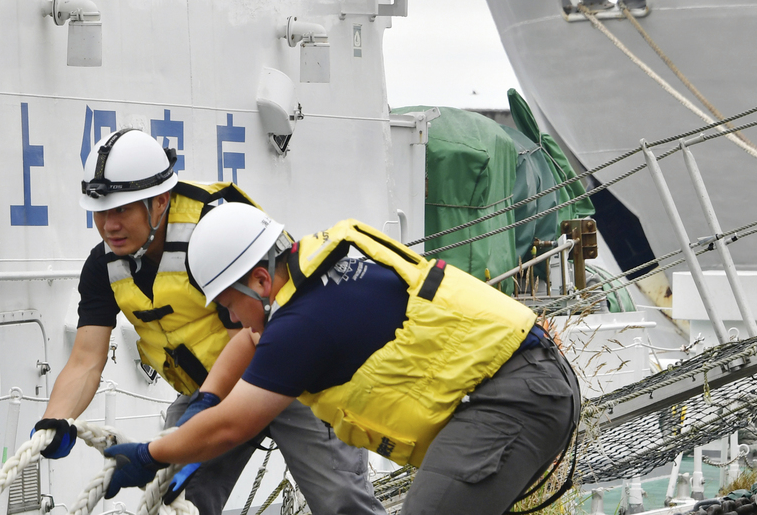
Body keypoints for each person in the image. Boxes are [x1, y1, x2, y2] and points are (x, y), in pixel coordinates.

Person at [103, 203, 581, 515]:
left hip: (512, 399)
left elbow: (231, 427)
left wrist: (149, 455)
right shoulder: (316, 273)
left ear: (260, 281)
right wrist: (206, 398)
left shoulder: (302, 326)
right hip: (521, 381)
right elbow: (249, 343)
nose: (230, 318)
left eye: (228, 302)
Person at [36, 129, 386, 515]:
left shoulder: (217, 235)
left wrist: (199, 417)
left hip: (291, 378)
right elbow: (85, 359)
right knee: (180, 501)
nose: (109, 226)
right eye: (100, 212)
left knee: (342, 502)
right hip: (209, 389)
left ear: (160, 202)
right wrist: (56, 420)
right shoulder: (104, 265)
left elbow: (252, 334)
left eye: (122, 210)